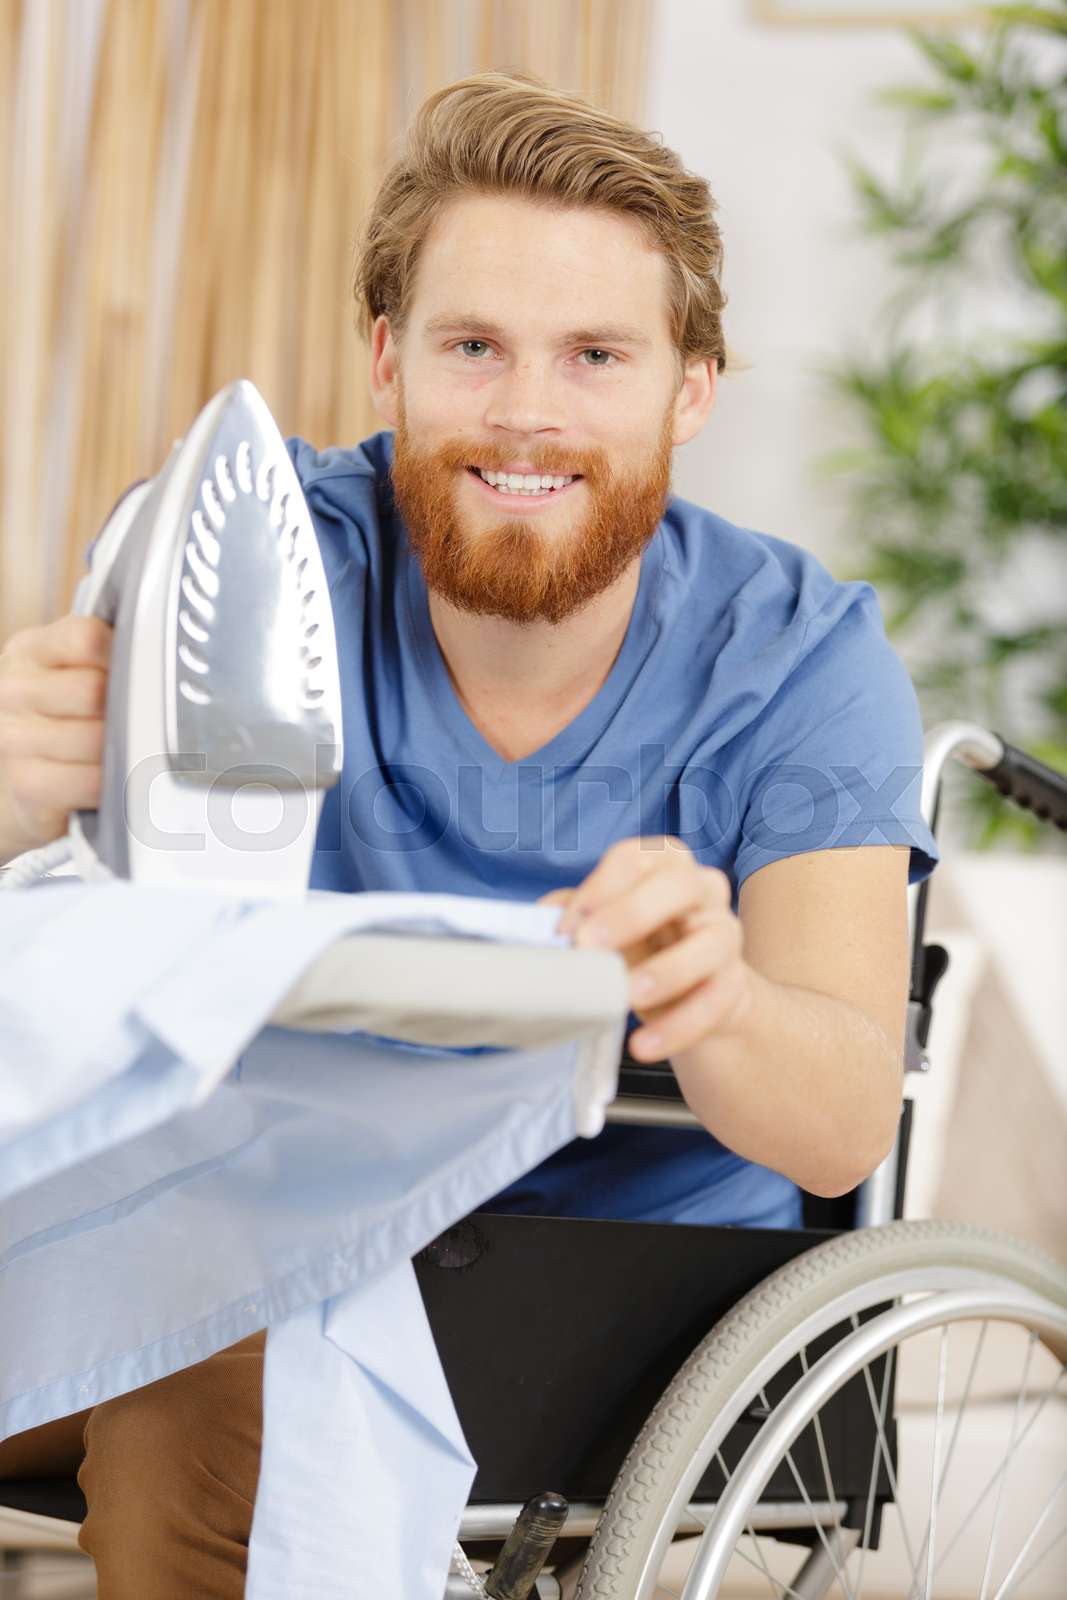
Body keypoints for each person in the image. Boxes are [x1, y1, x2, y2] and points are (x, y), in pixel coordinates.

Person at [0, 70, 938, 1599]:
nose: (528, 412)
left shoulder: (798, 660)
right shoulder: (249, 559)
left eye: (596, 355)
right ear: (387, 359)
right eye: (474, 346)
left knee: (206, 1410)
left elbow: (840, 1122)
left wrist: (719, 1000)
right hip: (241, 1217)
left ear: (692, 388)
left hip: (599, 1306)